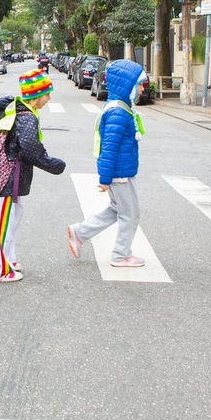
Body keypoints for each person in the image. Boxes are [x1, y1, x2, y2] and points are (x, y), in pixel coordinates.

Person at [66, 60, 148, 267]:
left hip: (120, 171)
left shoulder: (121, 107)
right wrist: (105, 178)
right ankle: (121, 255)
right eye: (138, 85)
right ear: (127, 86)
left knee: (116, 208)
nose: (141, 89)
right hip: (119, 174)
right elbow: (109, 148)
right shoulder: (119, 112)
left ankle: (80, 232)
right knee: (130, 214)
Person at [0, 69, 66, 282]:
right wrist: (53, 164)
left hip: (9, 175)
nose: (49, 98)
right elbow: (31, 149)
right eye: (47, 93)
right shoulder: (27, 116)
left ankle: (9, 260)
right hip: (8, 177)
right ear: (37, 95)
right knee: (4, 222)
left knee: (12, 218)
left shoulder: (19, 112)